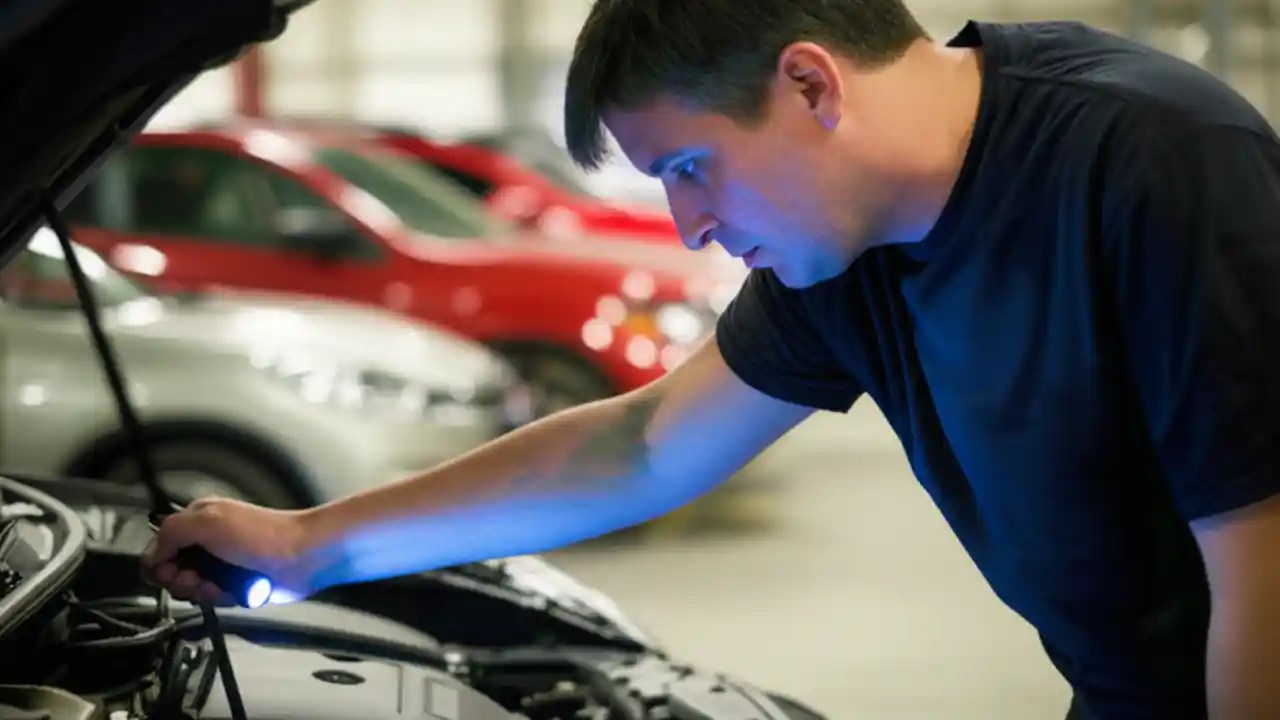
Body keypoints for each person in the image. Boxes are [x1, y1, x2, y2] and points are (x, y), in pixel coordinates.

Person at [143, 2, 1280, 717]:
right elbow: (637, 446)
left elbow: (1264, 564)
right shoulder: (836, 258)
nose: (686, 227)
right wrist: (306, 543)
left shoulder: (1152, 162)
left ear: (808, 83)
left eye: (689, 166)